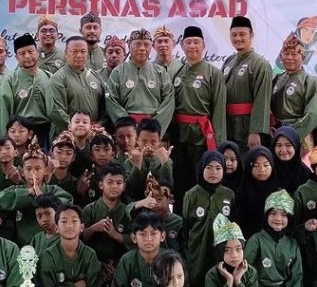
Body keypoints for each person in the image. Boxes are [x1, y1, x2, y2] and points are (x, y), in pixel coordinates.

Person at [169, 26, 226, 201]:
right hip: (179, 136)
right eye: (188, 42)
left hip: (201, 137)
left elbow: (219, 109)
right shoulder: (178, 73)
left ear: (203, 45)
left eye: (196, 42)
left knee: (200, 179)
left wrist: (219, 143)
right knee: (179, 180)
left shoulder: (213, 73)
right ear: (182, 46)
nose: (192, 46)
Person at [245, 189, 306, 287]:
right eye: (273, 213)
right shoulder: (256, 240)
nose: (278, 219)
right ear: (266, 216)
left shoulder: (292, 243)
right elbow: (246, 272)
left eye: (283, 215)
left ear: (289, 218)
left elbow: (297, 275)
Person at [182, 151, 235, 287]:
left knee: (219, 278)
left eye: (218, 168)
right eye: (209, 168)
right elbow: (186, 226)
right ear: (202, 168)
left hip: (220, 248)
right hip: (197, 247)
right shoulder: (191, 195)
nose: (214, 172)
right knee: (197, 279)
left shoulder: (229, 194)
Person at [107, 29, 174, 134]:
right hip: (127, 132)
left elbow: (168, 102)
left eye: (146, 44)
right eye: (137, 44)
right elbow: (111, 101)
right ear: (129, 46)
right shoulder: (118, 72)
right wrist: (128, 127)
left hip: (153, 129)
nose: (142, 48)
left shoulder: (160, 72)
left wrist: (154, 128)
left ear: (151, 47)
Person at [223, 16, 272, 151]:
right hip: (229, 126)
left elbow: (262, 100)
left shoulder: (260, 64)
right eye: (234, 35)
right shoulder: (229, 61)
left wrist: (255, 131)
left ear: (251, 35)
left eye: (242, 34)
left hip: (248, 128)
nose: (238, 38)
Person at [0, 34, 54, 148]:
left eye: (30, 52)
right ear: (16, 57)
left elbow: (55, 112)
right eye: (22, 53)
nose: (27, 56)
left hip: (45, 133)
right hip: (20, 134)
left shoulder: (50, 77)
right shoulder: (10, 81)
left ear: (37, 52)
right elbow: (3, 113)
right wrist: (3, 142)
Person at [48, 36, 107, 133]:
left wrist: (100, 123)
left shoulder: (95, 76)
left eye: (83, 51)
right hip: (68, 134)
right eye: (74, 51)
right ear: (66, 53)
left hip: (95, 132)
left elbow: (105, 105)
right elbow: (55, 111)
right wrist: (79, 126)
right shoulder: (58, 78)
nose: (79, 55)